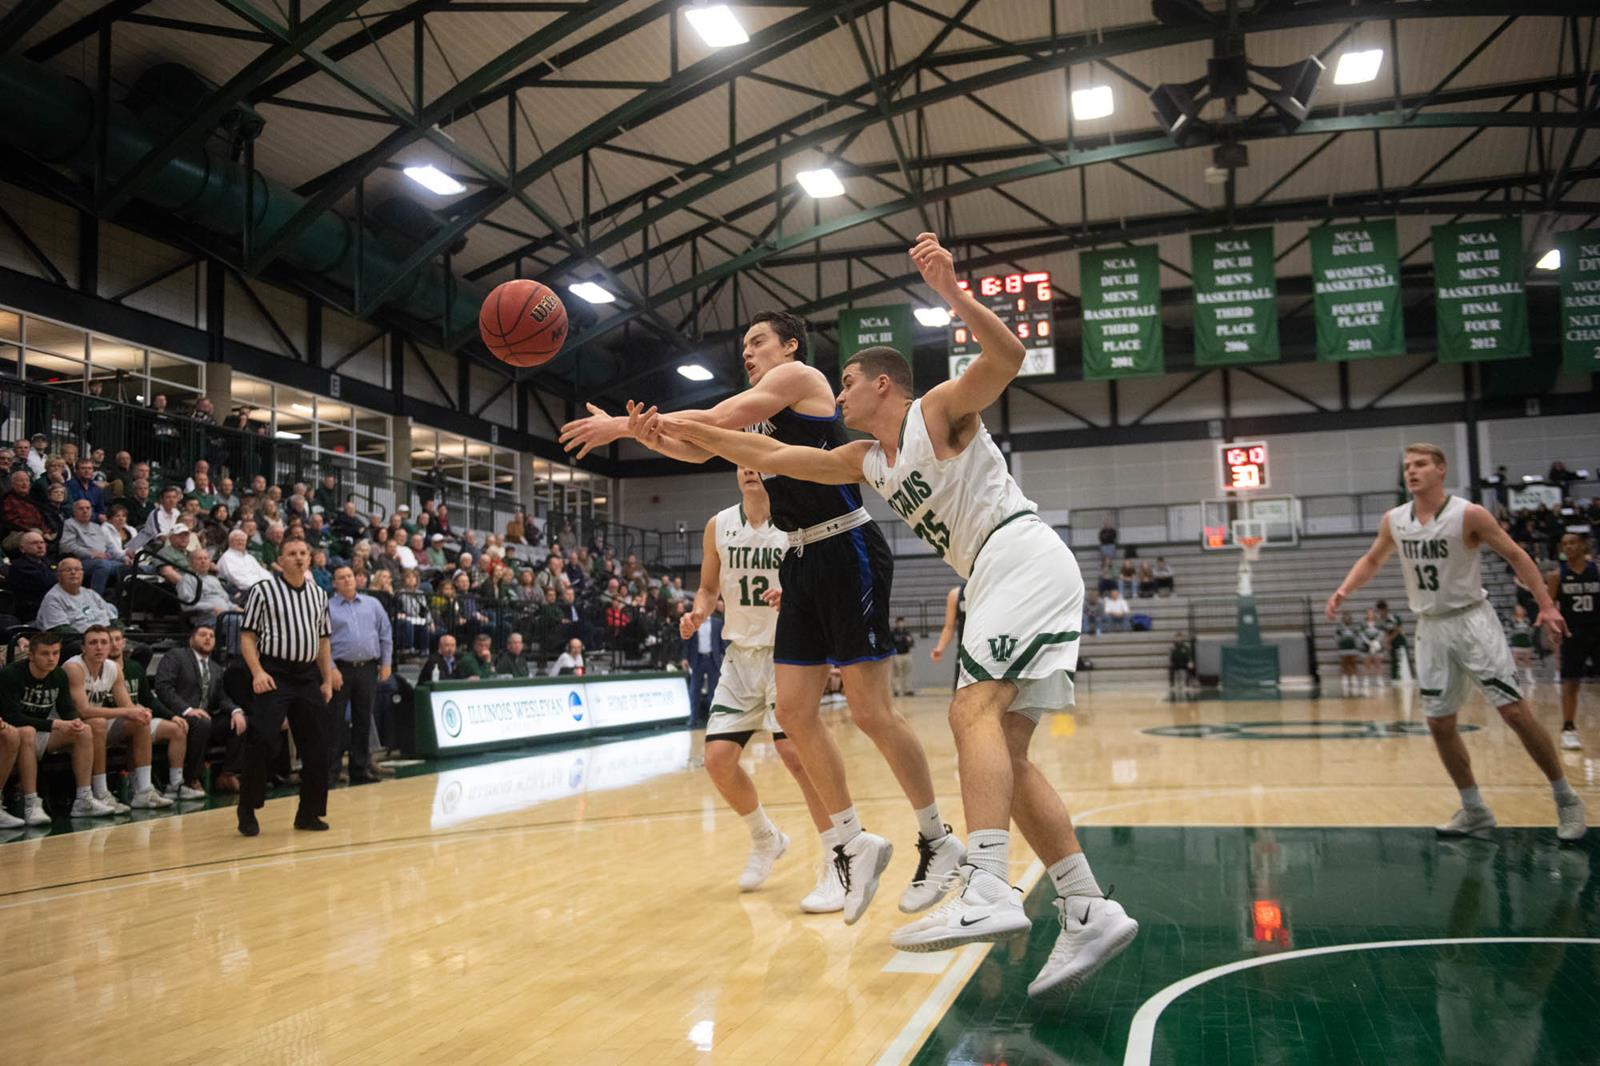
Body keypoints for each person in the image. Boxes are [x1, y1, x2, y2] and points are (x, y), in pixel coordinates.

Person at [634, 233, 1137, 996]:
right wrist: (669, 432)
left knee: (970, 715)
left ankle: (989, 885)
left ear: (883, 386)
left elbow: (1005, 362)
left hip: (1020, 557)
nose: (835, 398)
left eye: (846, 385)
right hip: (996, 573)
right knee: (1006, 745)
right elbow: (765, 455)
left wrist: (956, 297)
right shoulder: (867, 461)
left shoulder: (937, 413)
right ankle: (1086, 904)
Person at [572, 309, 957, 926]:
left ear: (790, 346)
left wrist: (623, 423)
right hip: (800, 556)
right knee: (797, 715)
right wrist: (646, 434)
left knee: (869, 711)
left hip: (845, 545)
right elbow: (696, 450)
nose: (748, 352)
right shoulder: (764, 406)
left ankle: (938, 839)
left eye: (757, 341)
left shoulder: (800, 379)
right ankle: (849, 846)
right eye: (744, 345)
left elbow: (720, 420)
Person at [1327, 442, 1586, 843]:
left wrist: (1547, 604)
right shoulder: (1394, 520)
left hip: (1471, 621)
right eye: (1408, 466)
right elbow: (1373, 559)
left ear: (1441, 469)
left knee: (1515, 713)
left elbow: (1517, 555)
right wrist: (1345, 589)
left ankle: (1565, 797)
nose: (1412, 471)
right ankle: (1474, 808)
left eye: (1421, 465)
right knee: (1438, 722)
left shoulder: (1469, 514)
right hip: (1429, 627)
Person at [686, 467, 837, 903]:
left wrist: (795, 596)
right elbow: (707, 587)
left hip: (786, 650)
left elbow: (819, 583)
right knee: (717, 759)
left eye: (757, 460)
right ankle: (766, 837)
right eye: (741, 461)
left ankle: (836, 854)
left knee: (794, 754)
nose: (750, 469)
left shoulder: (796, 522)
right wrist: (699, 613)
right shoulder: (719, 525)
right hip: (740, 657)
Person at [236, 538, 335, 837]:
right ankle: (247, 809)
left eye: (304, 553)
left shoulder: (319, 594)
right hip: (273, 672)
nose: (299, 558)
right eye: (292, 554)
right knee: (263, 739)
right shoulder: (263, 590)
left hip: (306, 676)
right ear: (281, 560)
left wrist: (327, 679)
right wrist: (257, 672)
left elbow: (323, 640)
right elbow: (248, 636)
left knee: (318, 746)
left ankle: (308, 813)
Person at [0, 630, 112, 822]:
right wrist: (55, 724)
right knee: (27, 732)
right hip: (15, 733)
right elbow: (13, 717)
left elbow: (66, 708)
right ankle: (31, 804)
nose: (51, 659)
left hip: (41, 733)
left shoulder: (59, 675)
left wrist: (74, 720)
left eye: (55, 653)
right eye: (45, 654)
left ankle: (84, 799)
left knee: (84, 731)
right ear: (31, 655)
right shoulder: (11, 674)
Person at [63, 625, 175, 811]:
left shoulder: (113, 668)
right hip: (67, 727)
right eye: (93, 643)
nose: (99, 647)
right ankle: (101, 793)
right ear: (83, 648)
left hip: (92, 728)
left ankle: (144, 791)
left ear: (109, 647)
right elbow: (83, 711)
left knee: (138, 722)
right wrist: (127, 712)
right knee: (97, 723)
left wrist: (140, 712)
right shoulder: (73, 667)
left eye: (103, 642)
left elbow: (127, 705)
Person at [326, 564, 393, 787]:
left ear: (356, 580)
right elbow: (321, 641)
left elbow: (385, 633)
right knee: (334, 722)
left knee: (363, 719)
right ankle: (331, 773)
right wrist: (331, 668)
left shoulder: (372, 604)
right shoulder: (327, 607)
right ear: (334, 583)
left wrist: (386, 662)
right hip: (340, 669)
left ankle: (359, 770)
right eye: (341, 577)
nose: (346, 580)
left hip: (368, 668)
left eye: (349, 576)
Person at [153, 623, 234, 798]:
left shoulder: (216, 668)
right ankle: (191, 779)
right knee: (201, 722)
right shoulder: (176, 656)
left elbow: (222, 698)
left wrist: (236, 711)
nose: (208, 638)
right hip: (178, 715)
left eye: (211, 636)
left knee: (237, 723)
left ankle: (228, 774)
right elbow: (163, 687)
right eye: (203, 635)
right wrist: (187, 709)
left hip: (205, 717)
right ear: (191, 640)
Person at [1548, 531, 1598, 751]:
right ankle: (1569, 729)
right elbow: (1548, 607)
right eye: (1564, 544)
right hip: (1573, 637)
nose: (1568, 547)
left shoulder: (1597, 571)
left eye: (1573, 543)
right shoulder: (1557, 576)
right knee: (1570, 683)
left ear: (1583, 546)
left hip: (1598, 634)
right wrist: (1553, 630)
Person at [36, 557, 119, 634]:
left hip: (106, 638)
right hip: (79, 643)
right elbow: (62, 631)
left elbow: (114, 620)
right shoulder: (53, 598)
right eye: (68, 570)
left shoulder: (91, 594)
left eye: (77, 569)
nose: (73, 572)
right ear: (58, 576)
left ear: (82, 573)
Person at [682, 596, 724, 725]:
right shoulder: (693, 623)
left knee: (714, 692)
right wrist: (684, 658)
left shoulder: (718, 622)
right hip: (697, 659)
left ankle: (713, 720)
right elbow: (686, 641)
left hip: (713, 659)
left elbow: (722, 642)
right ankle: (693, 718)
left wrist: (727, 656)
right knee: (694, 690)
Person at [930, 583, 966, 692]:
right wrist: (940, 648)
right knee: (960, 694)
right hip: (965, 653)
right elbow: (949, 627)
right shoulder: (956, 594)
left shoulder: (992, 590)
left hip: (988, 650)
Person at [1375, 600, 1415, 684]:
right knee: (1394, 660)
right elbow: (1385, 632)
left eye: (1383, 609)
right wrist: (1387, 643)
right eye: (1380, 610)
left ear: (1386, 609)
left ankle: (1411, 677)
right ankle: (1395, 679)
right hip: (1392, 642)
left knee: (1404, 658)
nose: (1381, 612)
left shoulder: (1394, 617)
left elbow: (1398, 629)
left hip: (1400, 641)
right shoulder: (1381, 620)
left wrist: (1390, 638)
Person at [1508, 604, 1537, 691]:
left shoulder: (1527, 620)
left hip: (1526, 643)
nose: (1520, 610)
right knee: (1515, 661)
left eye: (1521, 608)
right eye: (1518, 609)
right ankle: (1514, 678)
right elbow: (1510, 631)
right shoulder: (1512, 620)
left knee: (1527, 660)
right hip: (1516, 643)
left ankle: (1529, 677)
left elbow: (1530, 630)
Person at [1334, 611, 1362, 697]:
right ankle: (1344, 679)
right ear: (1343, 619)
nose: (1347, 619)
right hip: (1343, 648)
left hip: (1352, 648)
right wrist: (1340, 642)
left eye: (1349, 618)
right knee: (1344, 664)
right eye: (1345, 618)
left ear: (1351, 619)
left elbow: (1358, 637)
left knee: (1353, 663)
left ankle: (1354, 678)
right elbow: (1336, 638)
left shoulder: (1354, 628)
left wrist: (1358, 646)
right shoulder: (1339, 628)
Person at [1359, 608, 1386, 695]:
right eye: (1368, 613)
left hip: (1377, 645)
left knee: (1378, 663)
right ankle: (1366, 680)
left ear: (1374, 614)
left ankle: (1379, 680)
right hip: (1366, 646)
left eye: (1372, 613)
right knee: (1367, 663)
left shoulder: (1379, 623)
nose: (1370, 614)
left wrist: (1376, 642)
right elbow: (1361, 635)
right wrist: (1369, 643)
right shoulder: (1363, 624)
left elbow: (1382, 634)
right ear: (1366, 614)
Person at [891, 616, 916, 697]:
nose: (901, 624)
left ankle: (908, 689)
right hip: (897, 655)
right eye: (899, 622)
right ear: (896, 623)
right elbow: (890, 644)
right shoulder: (893, 633)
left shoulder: (907, 633)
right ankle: (896, 690)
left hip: (906, 654)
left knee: (907, 673)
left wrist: (909, 640)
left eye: (902, 622)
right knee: (896, 673)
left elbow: (912, 643)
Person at [1168, 631, 1195, 699]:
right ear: (1175, 639)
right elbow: (1171, 658)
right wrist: (1171, 662)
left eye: (1180, 638)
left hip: (1184, 664)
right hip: (1176, 664)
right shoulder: (1173, 648)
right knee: (1171, 667)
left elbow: (1189, 656)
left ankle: (1187, 684)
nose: (1179, 639)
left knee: (1191, 667)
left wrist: (1190, 662)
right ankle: (1172, 685)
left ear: (1182, 639)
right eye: (1177, 638)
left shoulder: (1186, 648)